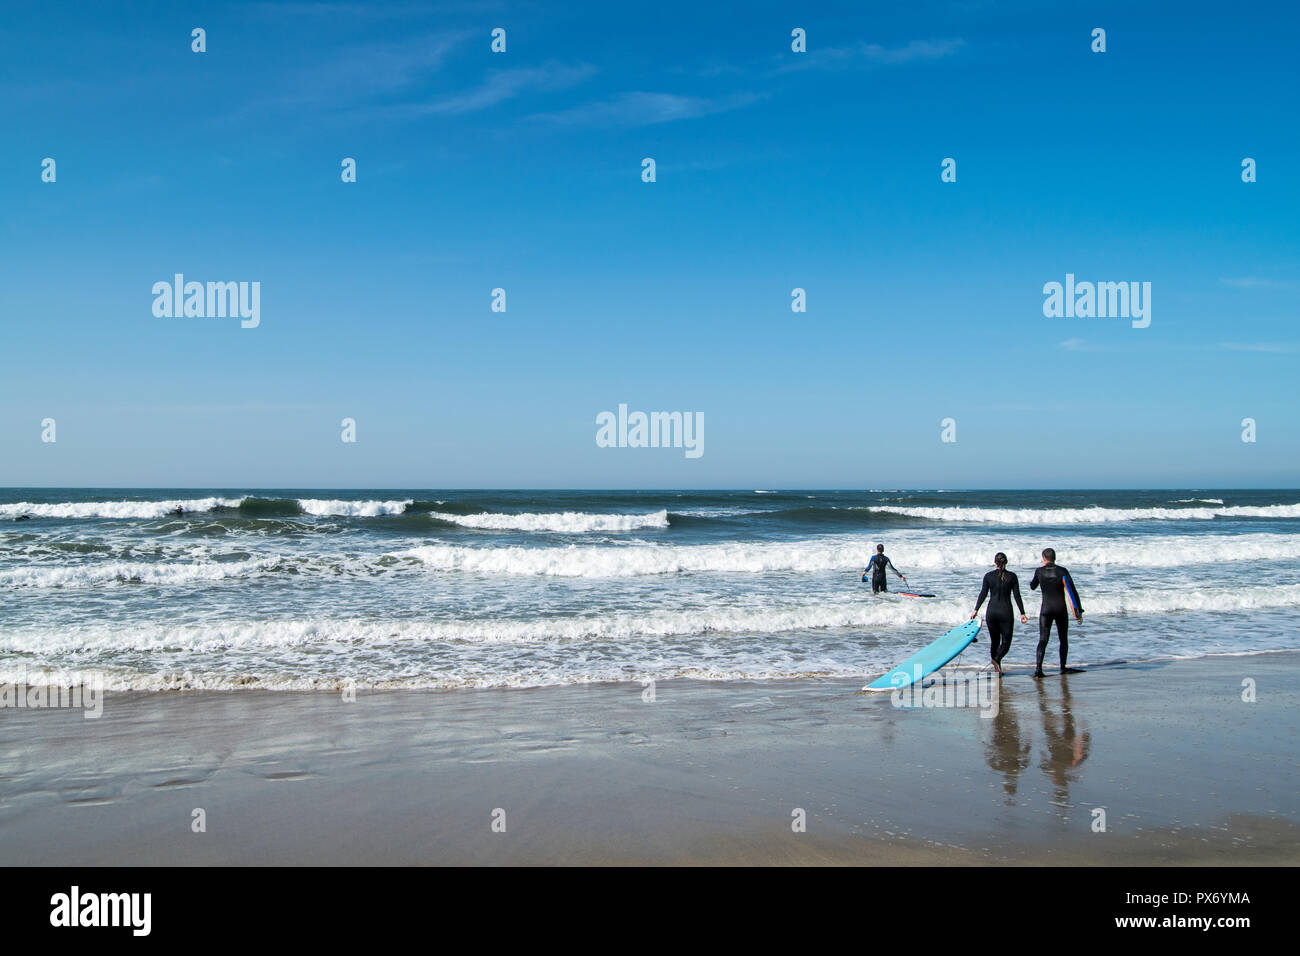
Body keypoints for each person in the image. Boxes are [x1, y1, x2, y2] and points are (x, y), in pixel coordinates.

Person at [1029, 547, 1083, 677]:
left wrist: (1039, 574)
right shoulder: (1062, 571)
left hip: (1046, 609)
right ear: (1055, 558)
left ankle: (1038, 669)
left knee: (1043, 640)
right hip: (1060, 609)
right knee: (1063, 639)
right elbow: (1072, 590)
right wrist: (1078, 610)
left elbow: (1032, 586)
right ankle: (1063, 667)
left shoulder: (1039, 571)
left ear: (1044, 558)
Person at [971, 552, 1027, 674]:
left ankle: (997, 668)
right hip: (1005, 612)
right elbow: (1017, 596)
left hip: (991, 612)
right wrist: (1022, 613)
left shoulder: (988, 576)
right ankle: (996, 660)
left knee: (995, 642)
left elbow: (983, 594)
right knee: (1006, 642)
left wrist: (976, 609)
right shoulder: (1012, 576)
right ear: (1006, 562)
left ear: (994, 562)